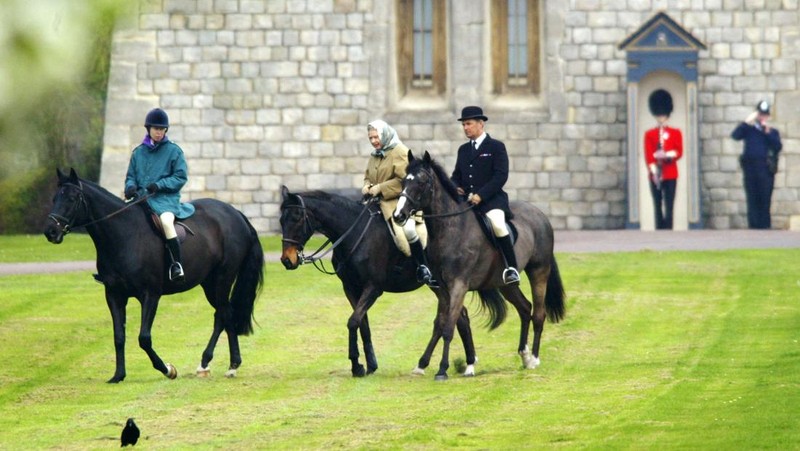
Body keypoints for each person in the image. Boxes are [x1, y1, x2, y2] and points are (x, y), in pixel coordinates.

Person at [362, 120, 438, 287]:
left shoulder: (400, 151)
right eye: (371, 138)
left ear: (385, 134)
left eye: (376, 137)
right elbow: (368, 176)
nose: (373, 141)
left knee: (408, 231)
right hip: (376, 203)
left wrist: (380, 188)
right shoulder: (375, 155)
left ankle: (423, 267)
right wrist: (367, 185)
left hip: (401, 204)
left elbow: (406, 181)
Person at [124, 108, 195, 281]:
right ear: (148, 129)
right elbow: (131, 176)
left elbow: (180, 177)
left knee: (166, 223)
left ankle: (176, 265)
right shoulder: (138, 152)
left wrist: (160, 185)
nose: (159, 132)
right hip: (141, 200)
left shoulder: (174, 151)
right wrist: (130, 187)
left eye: (162, 129)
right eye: (156, 129)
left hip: (165, 201)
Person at [451, 106, 519, 285]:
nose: (465, 128)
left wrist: (481, 195)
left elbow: (500, 176)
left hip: (491, 201)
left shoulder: (496, 147)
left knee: (497, 224)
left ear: (481, 124)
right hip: (467, 202)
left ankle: (511, 268)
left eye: (469, 124)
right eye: (463, 125)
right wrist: (455, 187)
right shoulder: (463, 150)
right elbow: (456, 176)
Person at [731, 100, 782, 229]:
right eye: (760, 114)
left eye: (764, 115)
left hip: (765, 170)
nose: (762, 118)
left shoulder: (772, 132)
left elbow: (777, 146)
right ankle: (753, 227)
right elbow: (735, 136)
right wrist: (746, 122)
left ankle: (764, 226)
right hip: (750, 169)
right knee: (752, 199)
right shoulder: (749, 130)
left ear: (768, 116)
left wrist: (767, 132)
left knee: (764, 199)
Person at [643, 89, 683, 230]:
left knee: (669, 205)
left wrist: (667, 155)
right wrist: (654, 172)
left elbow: (679, 151)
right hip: (656, 174)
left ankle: (669, 229)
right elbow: (648, 155)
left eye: (663, 114)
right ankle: (659, 230)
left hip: (670, 173)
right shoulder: (650, 134)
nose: (661, 117)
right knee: (657, 205)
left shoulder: (675, 132)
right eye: (659, 115)